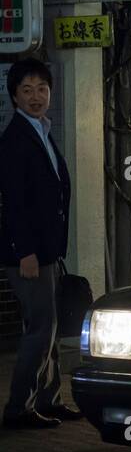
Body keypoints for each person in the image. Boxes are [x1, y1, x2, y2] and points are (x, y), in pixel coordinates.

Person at [0, 58, 81, 429]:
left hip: (46, 250)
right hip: (28, 254)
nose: (36, 96)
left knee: (48, 327)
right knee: (40, 328)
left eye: (42, 89)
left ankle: (49, 399)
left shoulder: (41, 130)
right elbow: (13, 202)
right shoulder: (16, 139)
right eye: (27, 90)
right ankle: (19, 407)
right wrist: (25, 252)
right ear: (14, 96)